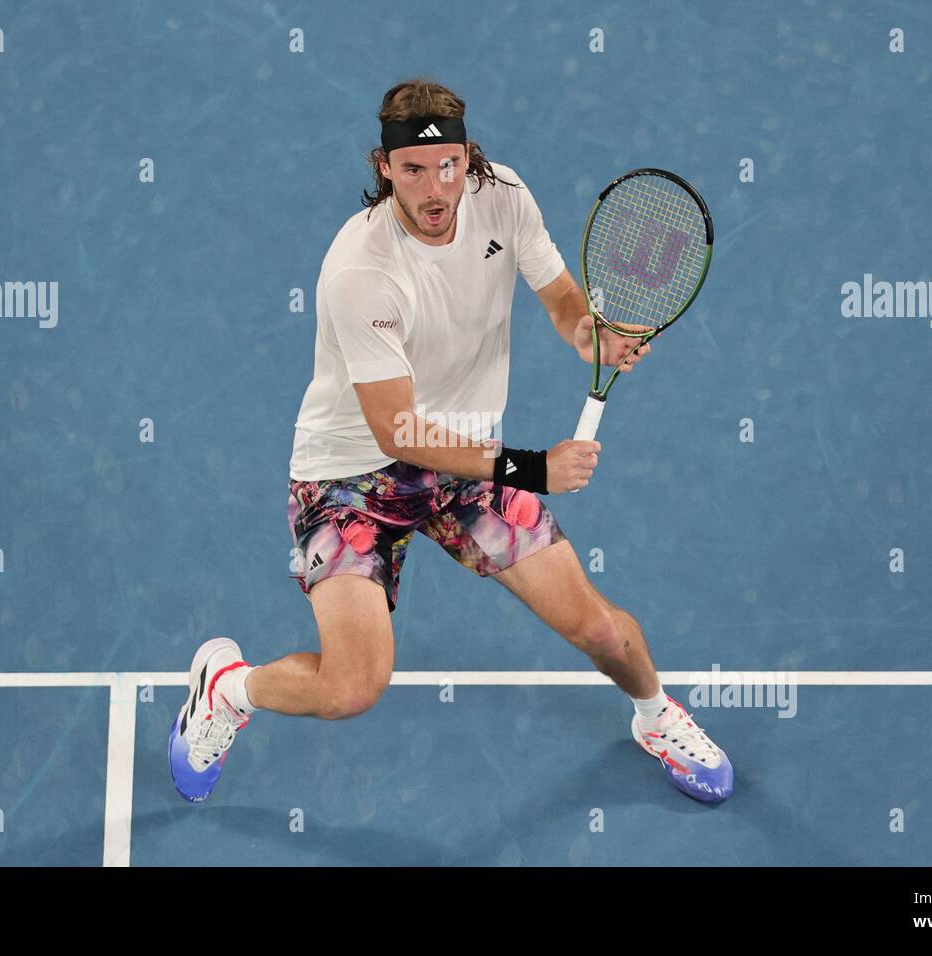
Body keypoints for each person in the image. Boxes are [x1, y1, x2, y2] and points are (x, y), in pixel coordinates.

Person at [169, 78, 732, 807]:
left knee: (600, 630)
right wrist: (535, 468)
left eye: (449, 166)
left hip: (464, 461)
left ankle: (657, 717)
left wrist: (597, 336)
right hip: (353, 479)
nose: (435, 188)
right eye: (413, 169)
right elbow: (397, 431)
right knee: (351, 688)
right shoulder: (360, 270)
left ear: (469, 158)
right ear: (384, 168)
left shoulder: (506, 198)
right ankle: (228, 689)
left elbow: (563, 300)